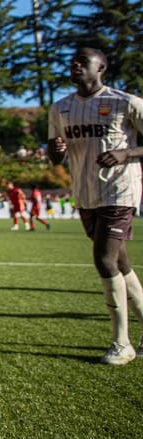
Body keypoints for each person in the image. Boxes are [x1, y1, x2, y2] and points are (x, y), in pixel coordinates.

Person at [47, 47, 143, 365]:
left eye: (82, 61)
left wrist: (125, 154)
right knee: (121, 264)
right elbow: (55, 155)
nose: (74, 65)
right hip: (86, 194)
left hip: (120, 190)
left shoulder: (125, 103)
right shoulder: (60, 108)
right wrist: (56, 150)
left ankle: (122, 343)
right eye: (72, 61)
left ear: (100, 67)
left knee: (104, 260)